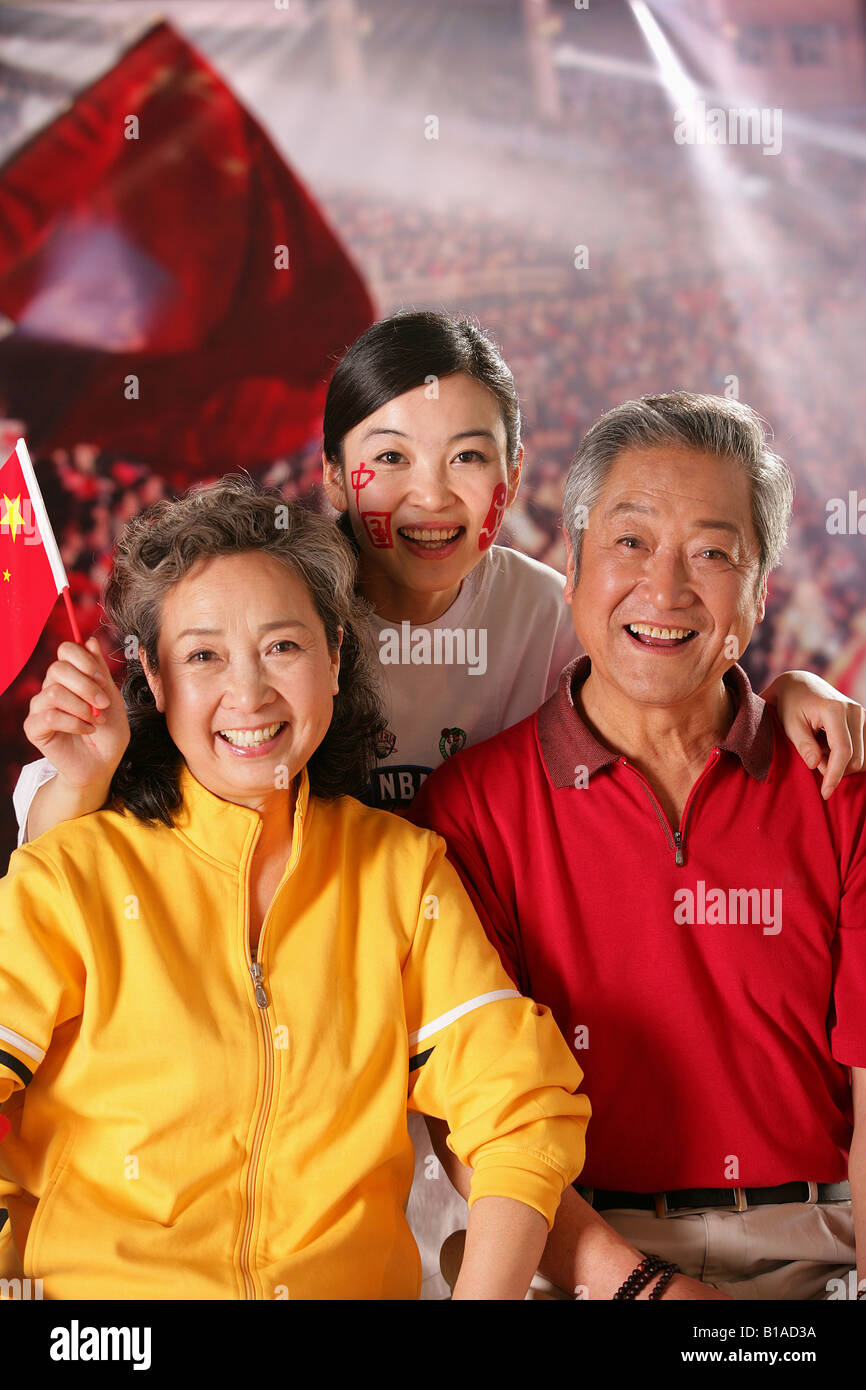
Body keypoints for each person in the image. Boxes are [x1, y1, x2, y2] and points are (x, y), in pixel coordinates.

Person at [10, 313, 866, 1296]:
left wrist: (790, 691)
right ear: (333, 477)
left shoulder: (548, 621)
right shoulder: (253, 594)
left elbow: (668, 653)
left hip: (456, 1176)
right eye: (388, 457)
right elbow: (53, 876)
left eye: (468, 456)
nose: (429, 494)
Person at [0, 475, 594, 1301]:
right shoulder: (72, 869)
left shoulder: (402, 870)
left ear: (337, 656)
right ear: (155, 679)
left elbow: (520, 1112)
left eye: (283, 646)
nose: (248, 695)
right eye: (203, 655)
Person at [409, 392, 866, 1300]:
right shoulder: (471, 808)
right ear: (569, 566)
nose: (666, 590)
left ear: (761, 589)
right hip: (580, 1254)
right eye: (630, 542)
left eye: (712, 552)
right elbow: (480, 1122)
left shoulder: (836, 788)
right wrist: (641, 1288)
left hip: (817, 1253)